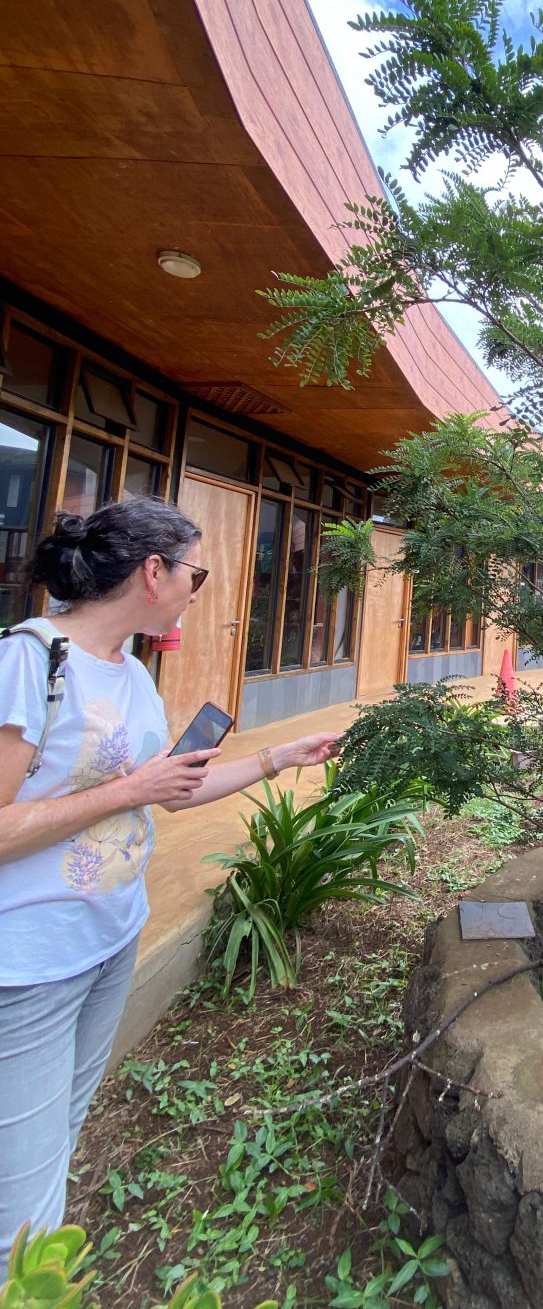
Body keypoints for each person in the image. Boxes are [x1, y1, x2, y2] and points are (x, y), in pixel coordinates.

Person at [0, 498, 340, 1253]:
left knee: (61, 1132)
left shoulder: (131, 672)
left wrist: (281, 758)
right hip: (30, 962)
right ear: (153, 572)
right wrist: (129, 791)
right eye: (197, 571)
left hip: (111, 939)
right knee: (18, 1191)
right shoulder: (31, 660)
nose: (199, 587)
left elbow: (174, 792)